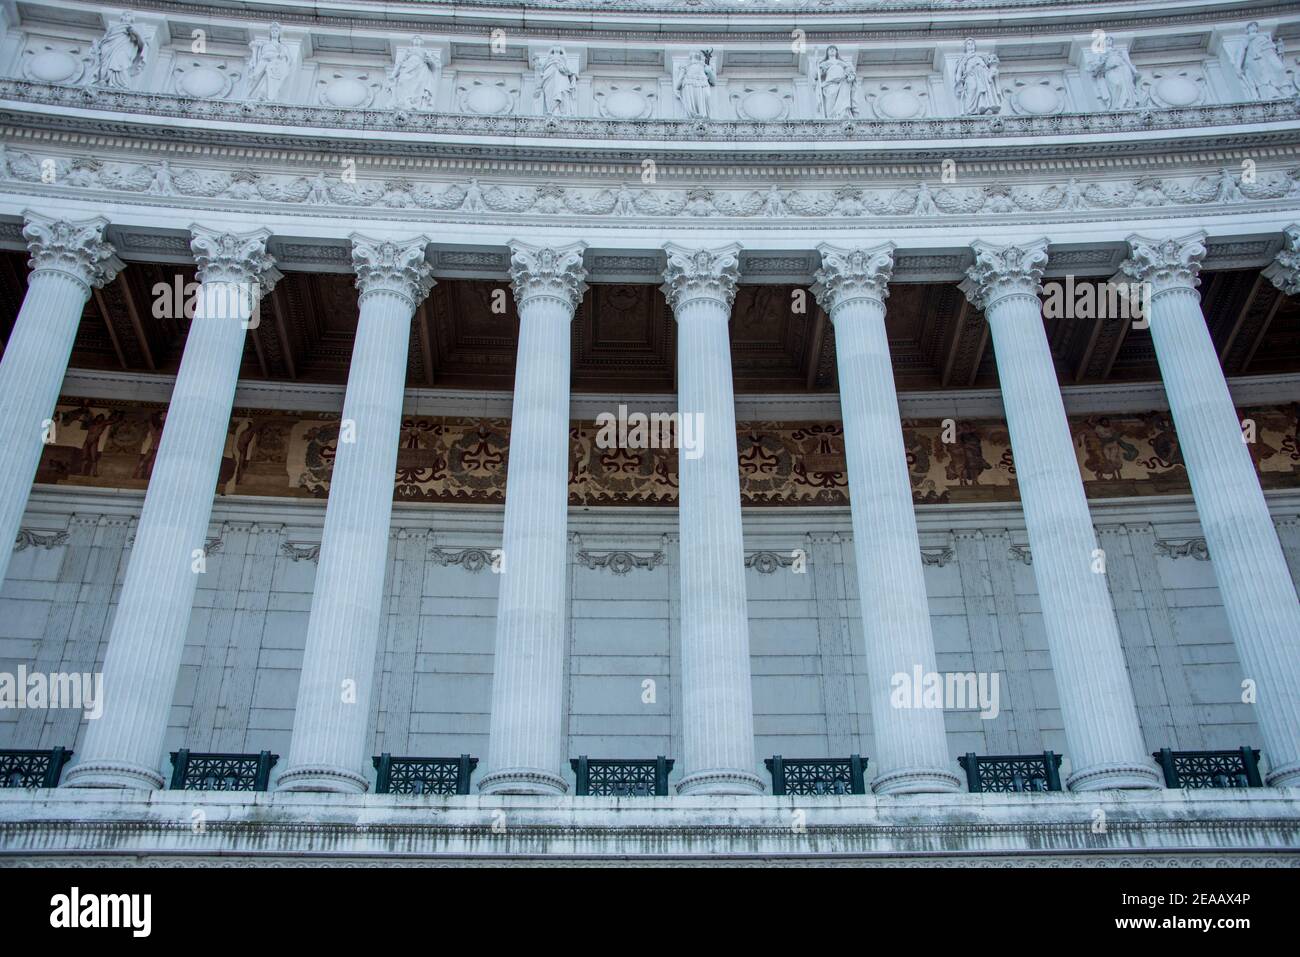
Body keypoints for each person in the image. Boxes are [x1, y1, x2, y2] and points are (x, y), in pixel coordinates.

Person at [953, 38, 1002, 115]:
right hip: (970, 76)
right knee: (972, 89)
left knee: (983, 90)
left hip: (982, 77)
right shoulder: (964, 59)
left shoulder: (979, 57)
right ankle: (969, 110)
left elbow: (985, 67)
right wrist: (958, 82)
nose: (971, 46)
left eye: (972, 44)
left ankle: (982, 106)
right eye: (968, 44)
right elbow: (959, 71)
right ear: (965, 47)